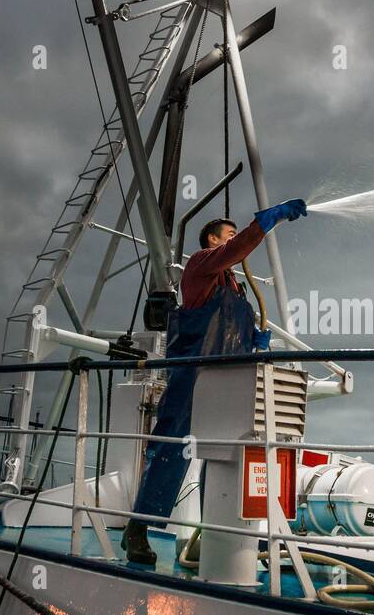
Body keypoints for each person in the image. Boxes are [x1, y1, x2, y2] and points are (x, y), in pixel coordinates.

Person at [123, 198, 308, 564]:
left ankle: (213, 530)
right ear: (211, 239)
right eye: (229, 232)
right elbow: (239, 249)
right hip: (194, 374)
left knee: (224, 453)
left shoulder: (236, 288)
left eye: (237, 232)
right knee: (173, 448)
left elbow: (233, 326)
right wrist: (266, 222)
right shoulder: (201, 264)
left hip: (230, 379)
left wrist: (255, 340)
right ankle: (139, 528)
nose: (235, 237)